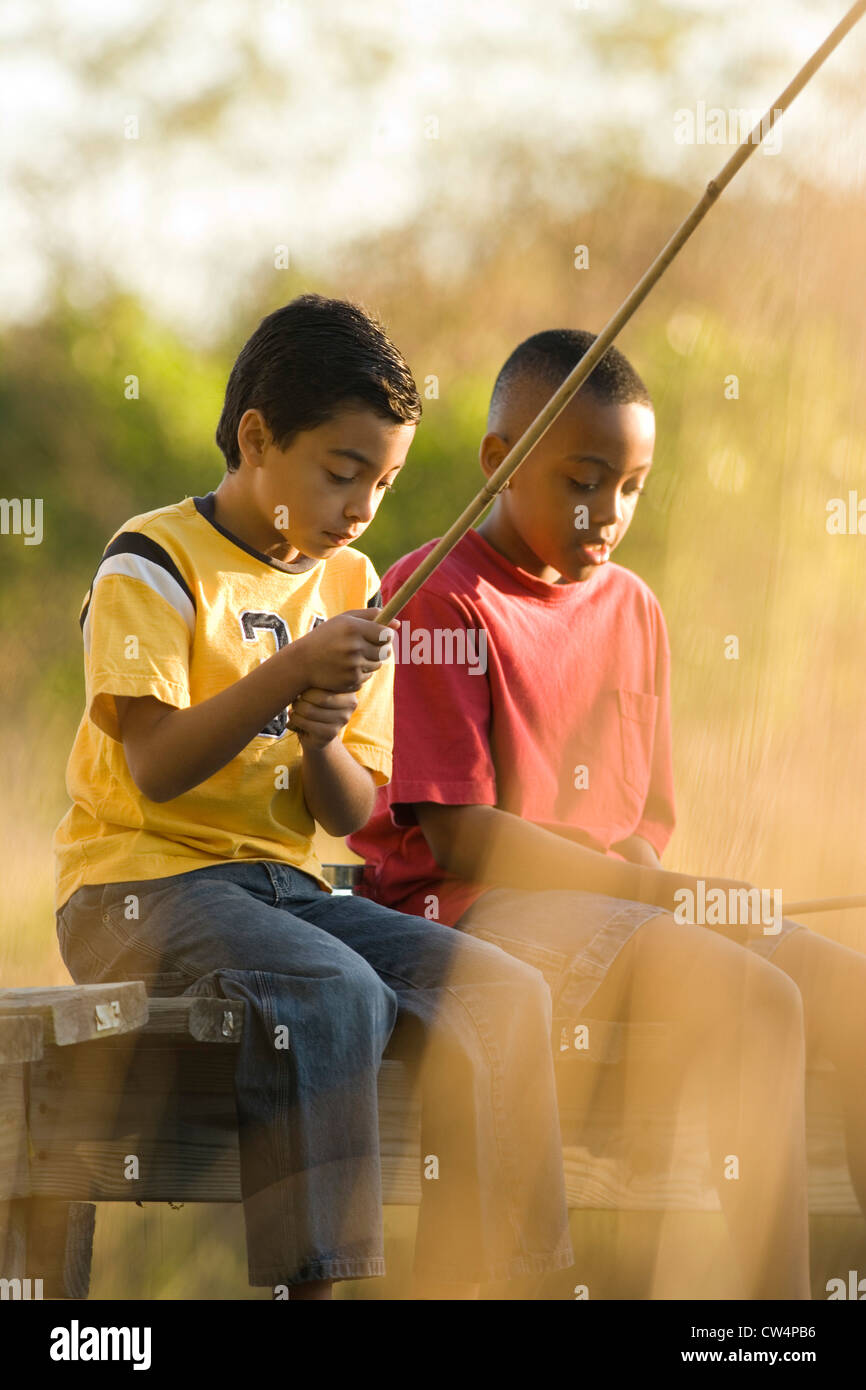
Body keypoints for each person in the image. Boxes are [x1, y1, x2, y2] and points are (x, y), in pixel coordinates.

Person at [52, 295, 574, 1300]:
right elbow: (155, 765)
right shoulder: (151, 562)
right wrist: (286, 676)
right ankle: (315, 1286)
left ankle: (490, 1280)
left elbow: (342, 810)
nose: (360, 508)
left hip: (284, 890)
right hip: (142, 891)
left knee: (507, 991)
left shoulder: (351, 583)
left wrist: (321, 730)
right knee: (338, 991)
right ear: (256, 438)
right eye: (341, 473)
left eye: (382, 482)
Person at [348, 327, 866, 1301]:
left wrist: (662, 889)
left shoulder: (632, 608)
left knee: (848, 990)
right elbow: (463, 838)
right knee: (758, 1000)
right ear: (499, 460)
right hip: (477, 918)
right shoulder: (437, 598)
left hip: (618, 909)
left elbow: (639, 818)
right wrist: (663, 894)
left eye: (631, 485)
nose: (610, 513)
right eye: (584, 480)